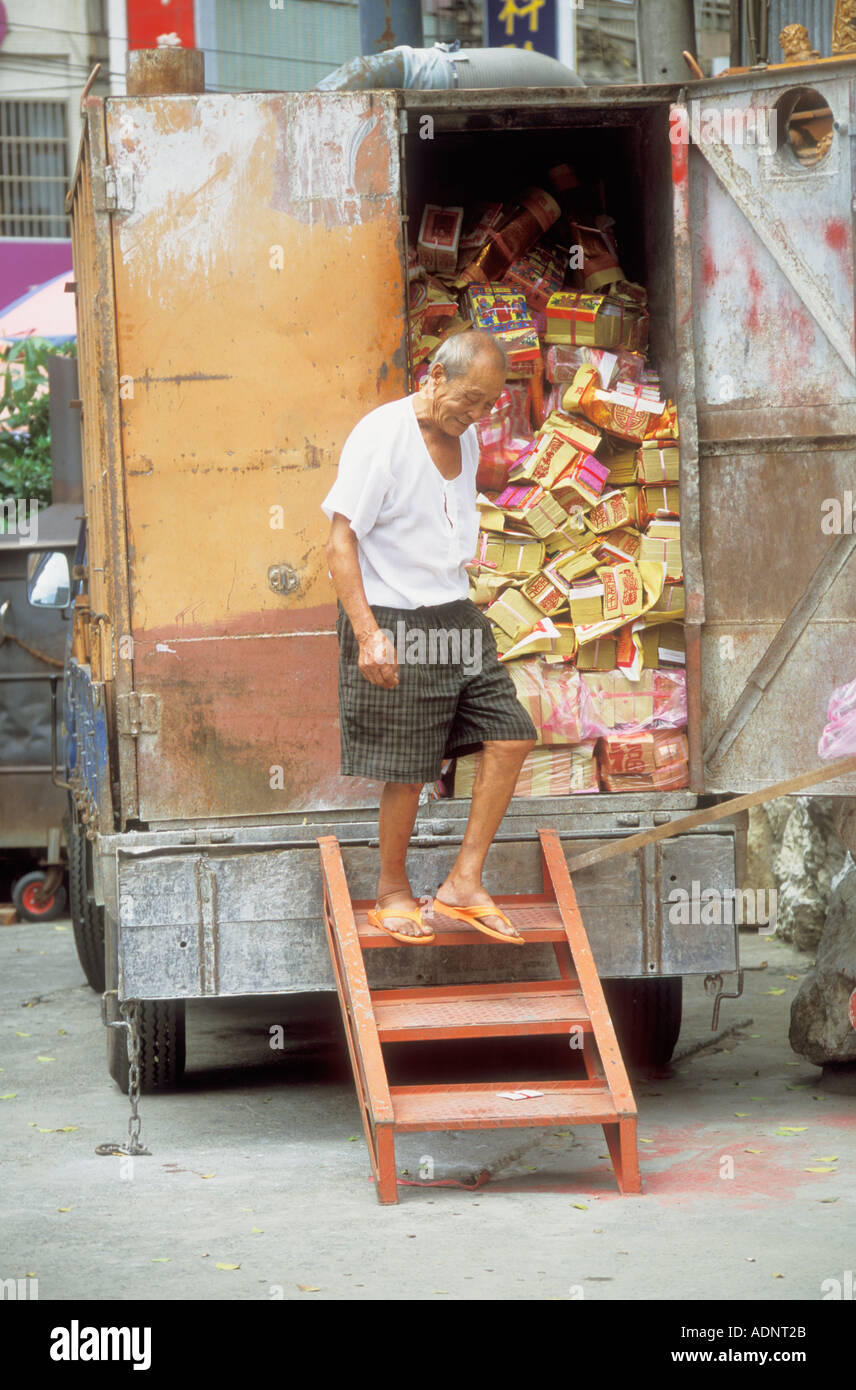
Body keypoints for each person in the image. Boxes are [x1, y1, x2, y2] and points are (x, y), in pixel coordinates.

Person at [322, 329, 537, 945]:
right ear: (434, 375)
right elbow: (341, 542)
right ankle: (391, 892)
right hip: (394, 618)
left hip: (453, 615)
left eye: (487, 405)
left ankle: (462, 883)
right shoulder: (380, 437)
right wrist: (367, 636)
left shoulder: (464, 438)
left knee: (511, 735)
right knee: (408, 765)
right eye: (469, 399)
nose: (475, 416)